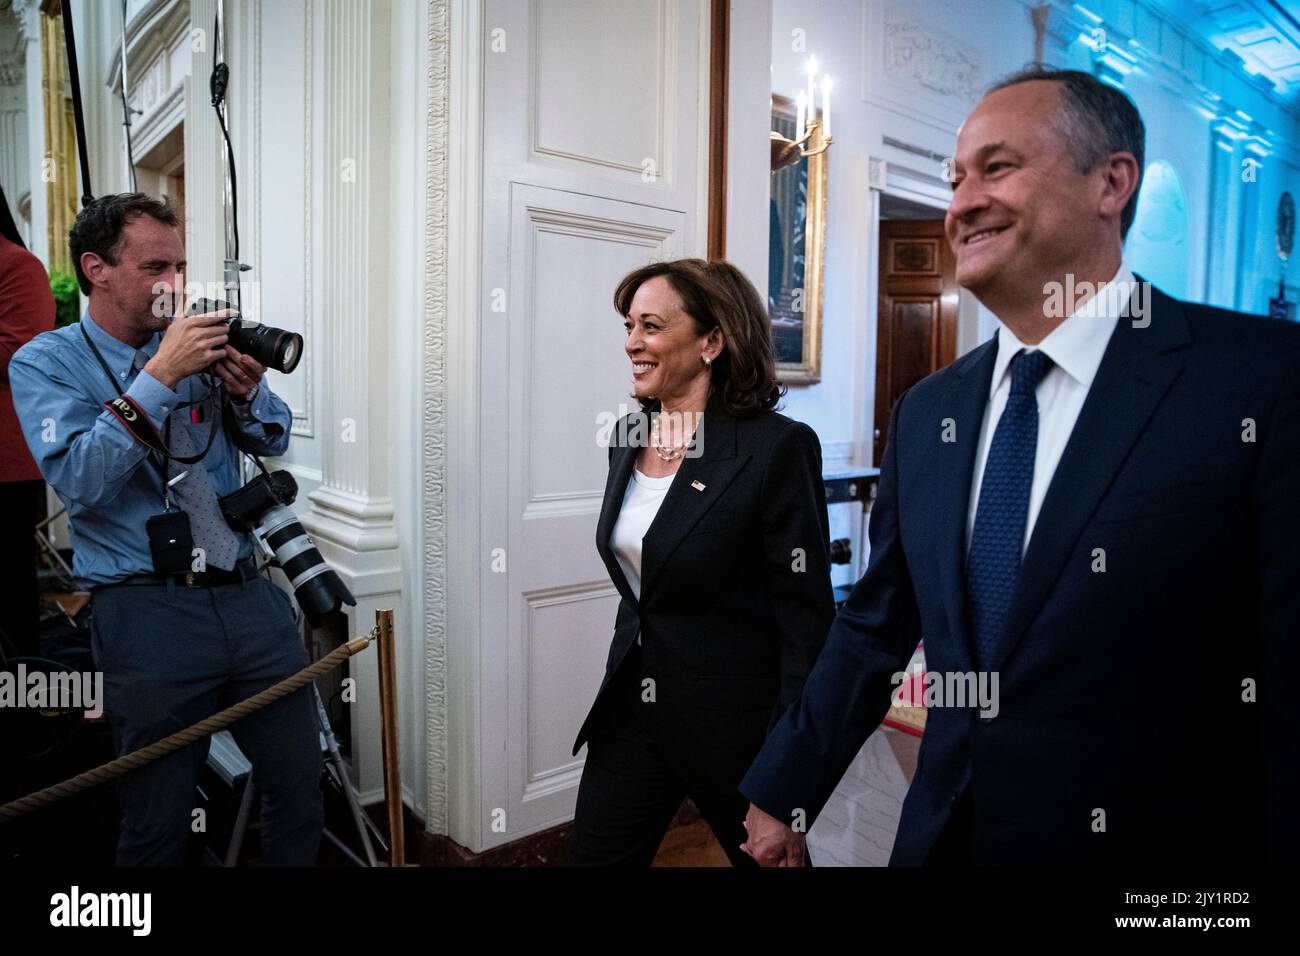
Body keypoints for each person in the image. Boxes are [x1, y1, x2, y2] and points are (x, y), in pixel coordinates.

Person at [740, 66, 1300, 866]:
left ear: (1112, 183)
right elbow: (876, 623)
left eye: (997, 168)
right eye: (956, 178)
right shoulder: (929, 409)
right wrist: (787, 784)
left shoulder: (1258, 381)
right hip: (944, 837)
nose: (961, 203)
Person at [9, 193, 322, 865]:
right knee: (158, 820)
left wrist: (246, 391)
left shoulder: (199, 341)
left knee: (300, 787)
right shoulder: (43, 362)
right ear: (96, 268)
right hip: (145, 611)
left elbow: (273, 435)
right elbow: (83, 483)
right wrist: (158, 376)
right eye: (156, 266)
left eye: (180, 266)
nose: (175, 286)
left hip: (247, 590)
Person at [569, 258, 835, 866]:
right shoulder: (627, 437)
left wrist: (788, 783)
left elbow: (807, 627)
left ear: (712, 341)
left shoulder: (775, 450)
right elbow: (648, 577)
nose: (633, 343)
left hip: (738, 733)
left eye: (652, 326)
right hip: (635, 708)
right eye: (630, 326)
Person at [0, 182, 56, 659]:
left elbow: (23, 351)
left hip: (5, 462)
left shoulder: (18, 265)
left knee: (9, 589)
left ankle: (18, 691)